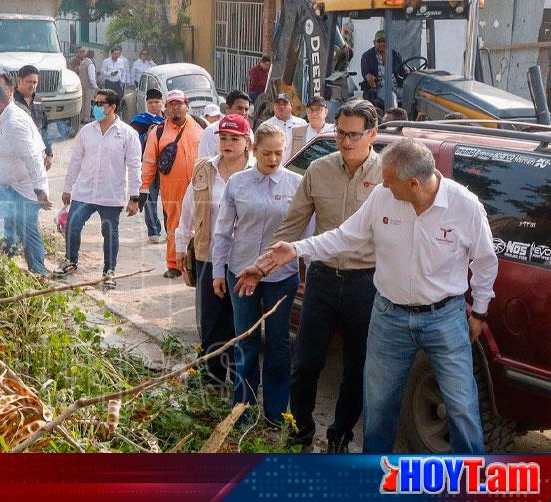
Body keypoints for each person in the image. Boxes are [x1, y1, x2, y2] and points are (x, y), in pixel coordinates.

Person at [258, 138, 497, 454]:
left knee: (461, 403)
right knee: (379, 403)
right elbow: (345, 236)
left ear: (413, 183)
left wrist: (479, 312)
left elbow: (485, 262)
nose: (382, 184)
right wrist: (296, 249)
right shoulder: (384, 197)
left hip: (445, 318)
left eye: (389, 179)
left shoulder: (465, 207)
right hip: (389, 317)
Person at [238, 99, 386, 453]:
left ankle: (339, 435)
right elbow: (290, 226)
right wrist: (262, 266)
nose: (346, 142)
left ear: (373, 134)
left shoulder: (387, 175)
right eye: (340, 134)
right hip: (321, 280)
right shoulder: (318, 171)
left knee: (356, 368)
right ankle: (301, 432)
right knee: (305, 363)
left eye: (354, 135)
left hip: (366, 284)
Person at [211, 123, 304, 425]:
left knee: (278, 343)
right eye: (266, 153)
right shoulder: (237, 183)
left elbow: (307, 236)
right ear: (253, 150)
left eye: (279, 153)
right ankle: (243, 408)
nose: (273, 159)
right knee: (246, 340)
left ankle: (276, 413)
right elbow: (223, 232)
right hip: (240, 273)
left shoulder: (297, 184)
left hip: (282, 278)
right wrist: (217, 271)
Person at [174, 114, 252, 387]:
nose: (228, 143)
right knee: (210, 320)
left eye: (234, 138)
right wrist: (181, 245)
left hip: (243, 258)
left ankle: (239, 383)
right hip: (208, 253)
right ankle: (212, 380)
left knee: (238, 321)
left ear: (246, 141)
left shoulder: (255, 171)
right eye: (223, 137)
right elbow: (188, 207)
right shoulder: (205, 168)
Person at [55, 89, 143, 288]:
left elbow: (134, 165)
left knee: (110, 232)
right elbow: (75, 161)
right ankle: (70, 261)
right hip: (85, 192)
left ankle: (108, 271)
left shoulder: (128, 134)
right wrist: (68, 187)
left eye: (100, 103)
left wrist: (134, 197)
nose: (95, 107)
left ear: (112, 107)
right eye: (95, 103)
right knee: (72, 225)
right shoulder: (86, 131)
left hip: (111, 194)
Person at [0, 82, 53, 276]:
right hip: (11, 188)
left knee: (28, 233)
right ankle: (7, 270)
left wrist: (40, 190)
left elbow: (33, 157)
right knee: (10, 229)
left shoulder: (14, 123)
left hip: (24, 191)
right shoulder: (4, 118)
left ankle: (40, 276)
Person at [139, 90, 204, 278]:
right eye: (171, 105)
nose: (175, 108)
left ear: (187, 105)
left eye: (179, 104)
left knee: (202, 224)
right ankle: (174, 264)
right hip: (172, 188)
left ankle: (199, 264)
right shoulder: (157, 132)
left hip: (199, 186)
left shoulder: (201, 126)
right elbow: (149, 162)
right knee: (174, 225)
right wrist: (144, 188)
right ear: (166, 108)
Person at [129, 88, 167, 244]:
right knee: (149, 198)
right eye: (151, 102)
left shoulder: (169, 120)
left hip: (166, 166)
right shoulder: (139, 121)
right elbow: (134, 142)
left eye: (157, 102)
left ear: (162, 103)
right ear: (147, 104)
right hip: (148, 164)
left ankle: (170, 230)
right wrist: (148, 135)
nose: (154, 105)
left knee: (168, 199)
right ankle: (154, 231)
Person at [13, 65, 54, 171]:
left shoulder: (38, 101)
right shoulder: (10, 100)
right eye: (28, 82)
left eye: (35, 82)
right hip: (15, 159)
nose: (32, 86)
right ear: (19, 81)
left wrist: (49, 154)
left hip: (36, 156)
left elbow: (44, 128)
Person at [199, 90, 252, 159]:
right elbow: (204, 163)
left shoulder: (249, 132)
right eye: (239, 108)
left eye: (246, 109)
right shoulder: (211, 131)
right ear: (227, 109)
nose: (244, 113)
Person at [361, 30, 403, 107]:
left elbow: (403, 70)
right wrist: (369, 77)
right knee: (391, 97)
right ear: (374, 42)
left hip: (395, 87)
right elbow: (365, 72)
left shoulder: (395, 54)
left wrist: (411, 73)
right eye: (379, 41)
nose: (382, 43)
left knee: (411, 94)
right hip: (379, 88)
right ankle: (393, 118)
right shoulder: (367, 56)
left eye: (385, 41)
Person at [264, 93, 307, 162]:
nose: (281, 107)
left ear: (291, 106)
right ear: (273, 106)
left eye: (285, 103)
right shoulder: (266, 126)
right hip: (273, 166)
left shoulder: (302, 124)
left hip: (296, 167)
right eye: (278, 104)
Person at [77, 49, 98, 125]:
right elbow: (92, 78)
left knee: (82, 102)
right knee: (88, 102)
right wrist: (96, 87)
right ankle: (87, 118)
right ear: (93, 56)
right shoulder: (90, 64)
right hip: (89, 86)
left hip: (82, 85)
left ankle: (82, 118)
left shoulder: (82, 63)